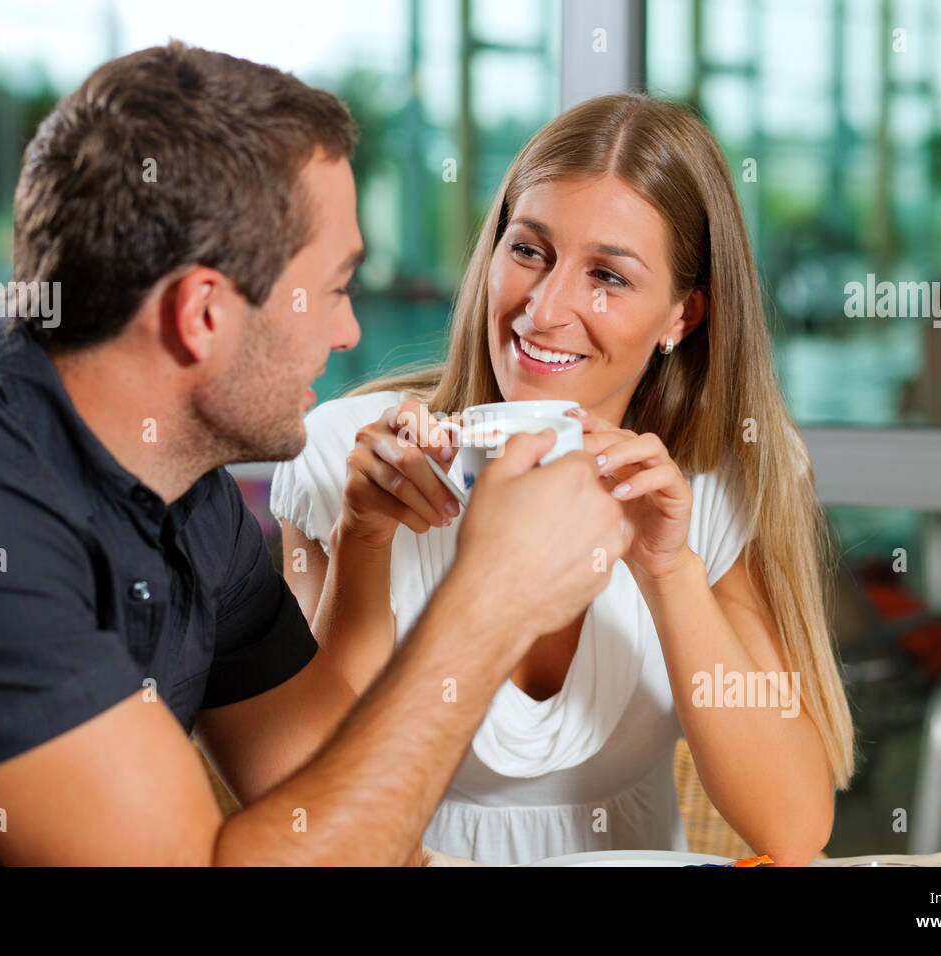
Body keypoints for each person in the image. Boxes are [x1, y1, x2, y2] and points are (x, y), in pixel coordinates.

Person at [0, 42, 631, 866]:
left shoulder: (189, 502)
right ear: (202, 314)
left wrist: (372, 542)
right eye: (336, 288)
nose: (349, 332)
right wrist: (490, 600)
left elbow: (333, 809)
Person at [272, 93, 856, 865]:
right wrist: (366, 538)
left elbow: (793, 825)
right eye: (529, 252)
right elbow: (306, 807)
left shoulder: (721, 478)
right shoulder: (346, 456)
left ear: (684, 315)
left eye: (608, 276)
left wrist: (665, 567)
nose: (545, 310)